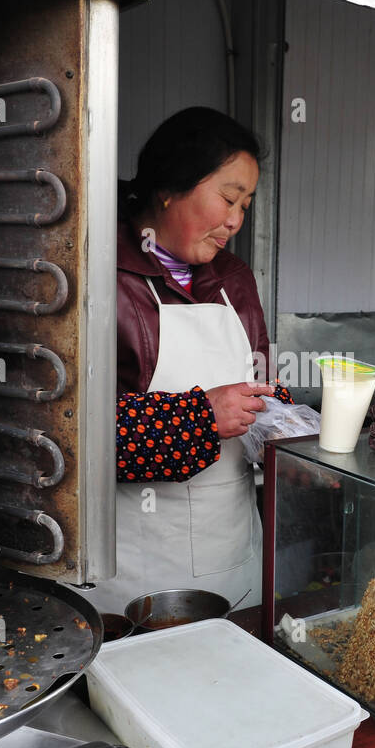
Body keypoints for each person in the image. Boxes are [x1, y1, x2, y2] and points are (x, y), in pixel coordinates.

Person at [100, 107, 291, 615]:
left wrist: (291, 436)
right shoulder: (96, 275)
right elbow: (63, 439)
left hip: (231, 555)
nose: (236, 220)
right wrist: (199, 418)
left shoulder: (233, 276)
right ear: (170, 187)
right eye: (228, 198)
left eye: (246, 205)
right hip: (135, 576)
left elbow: (261, 384)